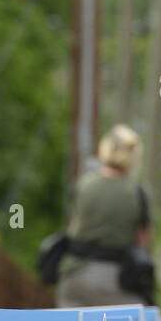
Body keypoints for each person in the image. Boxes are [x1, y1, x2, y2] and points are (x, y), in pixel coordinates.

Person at [56, 125, 153, 308]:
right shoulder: (138, 193)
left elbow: (71, 226)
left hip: (72, 274)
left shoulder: (83, 184)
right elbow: (142, 243)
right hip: (114, 279)